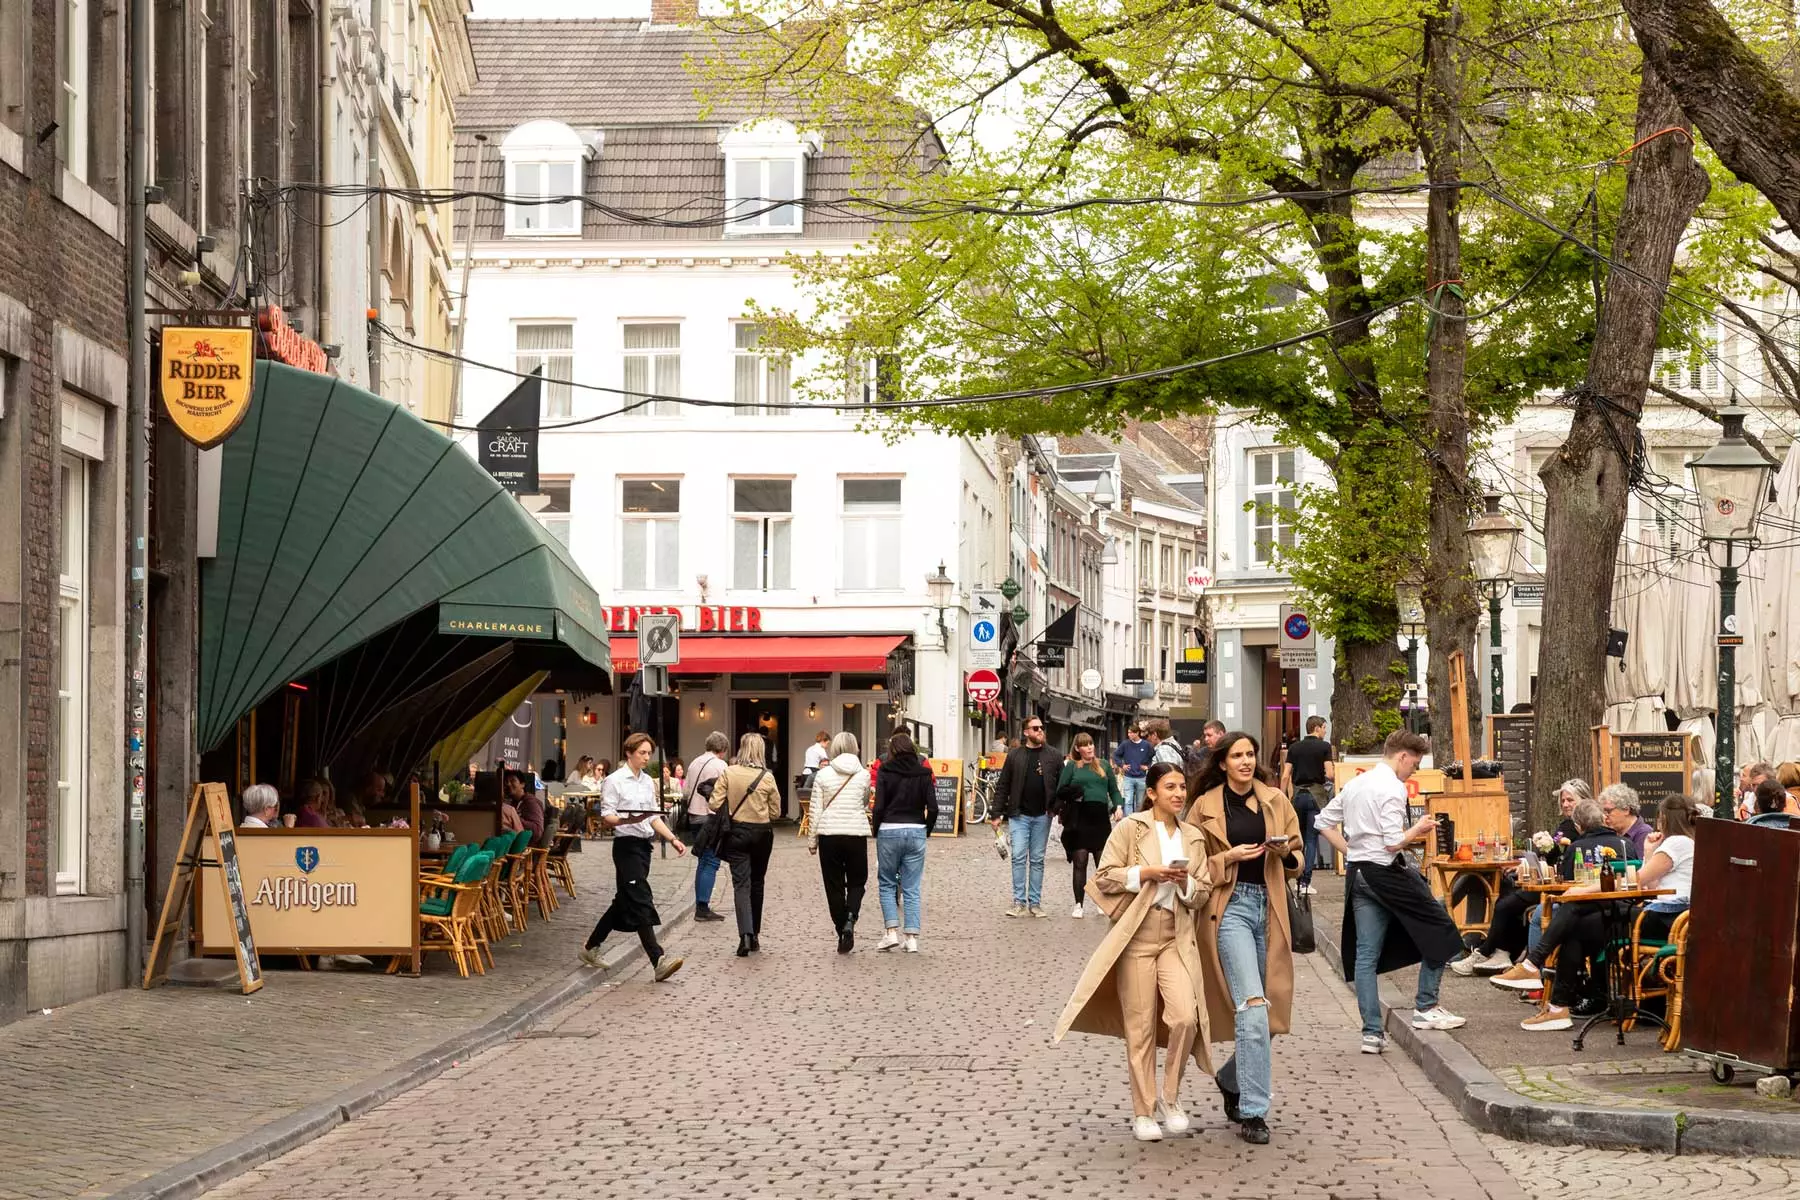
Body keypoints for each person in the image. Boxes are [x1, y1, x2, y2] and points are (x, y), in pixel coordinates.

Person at [1054, 761, 1214, 1142]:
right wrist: (1147, 873)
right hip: (1137, 936)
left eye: (1182, 787)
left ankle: (1170, 1098)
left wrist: (1186, 883)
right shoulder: (1131, 828)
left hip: (1177, 934)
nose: (1178, 794)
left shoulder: (1193, 836)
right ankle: (1143, 1110)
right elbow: (1105, 876)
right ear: (1153, 792)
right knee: (1139, 1027)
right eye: (1170, 787)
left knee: (1184, 1018)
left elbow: (1204, 889)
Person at [1315, 730, 1468, 1056]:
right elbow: (1391, 842)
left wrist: (1350, 850)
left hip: (1359, 874)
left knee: (1365, 957)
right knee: (1441, 928)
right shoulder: (1393, 788)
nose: (1413, 770)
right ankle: (1426, 1006)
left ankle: (1372, 1033)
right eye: (1414, 763)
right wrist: (1419, 829)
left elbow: (1323, 821)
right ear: (1402, 756)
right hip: (1386, 871)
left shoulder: (1356, 784)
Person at [1185, 730, 1302, 1145]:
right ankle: (1254, 1112)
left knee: (1268, 1015)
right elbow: (1193, 866)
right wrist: (1226, 858)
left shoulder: (1275, 799)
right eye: (1237, 755)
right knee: (1252, 1008)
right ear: (1222, 763)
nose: (1246, 761)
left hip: (1269, 909)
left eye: (1250, 754)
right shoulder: (1203, 807)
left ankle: (1231, 1077)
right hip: (1229, 908)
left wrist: (1285, 853)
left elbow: (1298, 859)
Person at [1500, 794, 1696, 1030]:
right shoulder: (1682, 843)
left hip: (1664, 918)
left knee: (1574, 909)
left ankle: (1538, 976)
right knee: (1575, 927)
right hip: (1662, 916)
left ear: (1665, 818)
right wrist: (1649, 850)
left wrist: (1586, 890)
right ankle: (1553, 1001)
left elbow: (1637, 881)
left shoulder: (1678, 843)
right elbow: (1650, 886)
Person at [1488, 795, 1630, 1014]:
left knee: (1547, 916)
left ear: (1579, 826)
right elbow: (1634, 878)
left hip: (1613, 916)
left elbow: (1565, 881)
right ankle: (1558, 1001)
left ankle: (1539, 973)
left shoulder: (1578, 846)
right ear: (1603, 819)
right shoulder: (1626, 844)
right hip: (1621, 910)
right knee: (1568, 923)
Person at [580, 733, 687, 982]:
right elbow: (606, 815)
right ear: (629, 753)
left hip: (643, 847)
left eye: (649, 753)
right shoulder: (614, 781)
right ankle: (657, 959)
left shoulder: (648, 781)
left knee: (624, 901)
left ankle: (590, 947)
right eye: (642, 753)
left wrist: (672, 839)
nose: (646, 758)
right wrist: (627, 819)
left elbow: (651, 817)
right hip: (625, 846)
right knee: (640, 898)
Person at [870, 732, 937, 952]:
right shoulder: (924, 773)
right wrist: (926, 829)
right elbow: (933, 807)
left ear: (892, 750)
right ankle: (911, 938)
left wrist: (876, 829)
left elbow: (878, 806)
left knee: (888, 883)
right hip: (916, 828)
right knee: (912, 886)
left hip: (889, 828)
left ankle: (890, 933)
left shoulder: (885, 771)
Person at [719, 733, 782, 956]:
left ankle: (744, 935)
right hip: (762, 833)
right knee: (757, 883)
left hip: (737, 831)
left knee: (741, 885)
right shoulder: (767, 777)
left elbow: (714, 803)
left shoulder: (729, 772)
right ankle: (755, 934)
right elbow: (776, 812)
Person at [809, 731, 873, 953]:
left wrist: (812, 841)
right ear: (855, 748)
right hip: (855, 834)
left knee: (833, 885)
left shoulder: (823, 775)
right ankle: (850, 917)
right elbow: (865, 802)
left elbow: (815, 810)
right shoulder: (863, 775)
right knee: (857, 881)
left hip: (829, 835)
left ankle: (841, 929)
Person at [992, 716, 1061, 917]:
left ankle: (1035, 903)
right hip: (1019, 814)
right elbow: (1003, 785)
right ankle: (1019, 901)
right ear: (1026, 732)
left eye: (1041, 727)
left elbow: (1061, 786)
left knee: (1038, 859)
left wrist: (1057, 808)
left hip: (1043, 815)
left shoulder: (1054, 756)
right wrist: (996, 814)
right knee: (1019, 857)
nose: (1040, 731)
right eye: (1035, 728)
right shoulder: (1015, 756)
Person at [1057, 733, 1124, 918]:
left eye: (1091, 744)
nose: (1089, 748)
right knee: (1080, 861)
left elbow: (1114, 790)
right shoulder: (1072, 766)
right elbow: (1060, 790)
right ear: (1077, 748)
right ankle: (1078, 904)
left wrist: (1118, 806)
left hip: (1100, 817)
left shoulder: (1103, 765)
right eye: (1085, 745)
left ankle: (1102, 902)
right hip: (1080, 817)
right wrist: (1075, 792)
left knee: (1102, 863)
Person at [1281, 716, 1334, 894]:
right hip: (1315, 796)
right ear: (1317, 728)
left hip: (1297, 796)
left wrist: (1282, 796)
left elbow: (1285, 775)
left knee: (1299, 838)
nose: (1325, 731)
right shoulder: (1324, 747)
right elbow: (1330, 773)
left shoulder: (1294, 747)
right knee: (1311, 839)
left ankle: (1297, 879)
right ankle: (1305, 883)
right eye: (1324, 727)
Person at [684, 732, 731, 922]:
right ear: (723, 749)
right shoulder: (721, 765)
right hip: (711, 818)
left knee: (702, 861)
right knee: (711, 861)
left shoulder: (694, 762)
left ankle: (701, 905)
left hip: (694, 816)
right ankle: (702, 907)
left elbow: (686, 791)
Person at [1600, 783, 1653, 857]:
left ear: (1626, 810)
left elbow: (1640, 866)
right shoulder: (1614, 832)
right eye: (1603, 811)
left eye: (1608, 811)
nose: (1605, 816)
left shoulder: (1644, 834)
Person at [1112, 725, 1154, 814]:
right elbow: (1115, 755)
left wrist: (1148, 767)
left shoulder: (1146, 745)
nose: (1129, 734)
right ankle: (1129, 821)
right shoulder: (1125, 744)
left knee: (1140, 803)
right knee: (1128, 801)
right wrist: (1122, 765)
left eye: (1131, 732)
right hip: (1128, 777)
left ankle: (1138, 821)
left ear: (1137, 733)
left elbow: (1154, 757)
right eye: (1128, 732)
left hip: (1141, 777)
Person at [507, 769, 547, 845]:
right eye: (506, 782)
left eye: (513, 781)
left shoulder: (530, 802)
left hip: (527, 849)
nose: (508, 784)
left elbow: (537, 831)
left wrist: (514, 818)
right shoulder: (514, 802)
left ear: (522, 784)